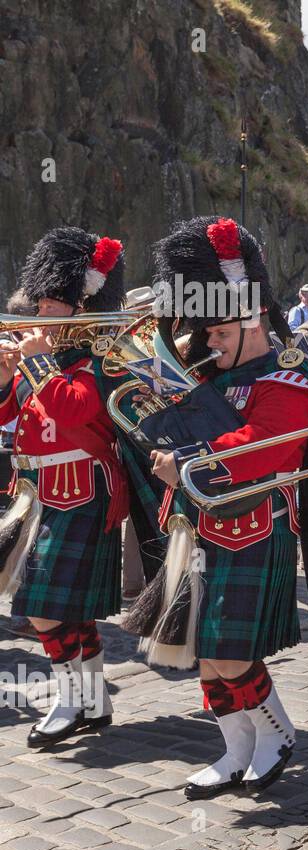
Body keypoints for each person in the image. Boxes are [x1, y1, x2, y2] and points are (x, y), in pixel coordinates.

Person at [130, 216, 308, 798]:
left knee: (229, 650)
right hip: (201, 526)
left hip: (254, 529)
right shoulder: (208, 371)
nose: (208, 342)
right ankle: (235, 747)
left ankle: (276, 735)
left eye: (218, 333)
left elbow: (265, 449)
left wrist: (187, 459)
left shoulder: (289, 376)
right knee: (205, 654)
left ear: (251, 320)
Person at [0, 228, 129, 749]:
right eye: (42, 302)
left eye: (55, 305)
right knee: (63, 606)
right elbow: (11, 416)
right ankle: (92, 701)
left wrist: (33, 364)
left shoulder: (103, 357)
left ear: (83, 310)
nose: (42, 314)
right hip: (36, 489)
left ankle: (69, 698)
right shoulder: (46, 356)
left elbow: (75, 409)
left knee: (42, 606)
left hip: (81, 487)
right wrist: (7, 376)